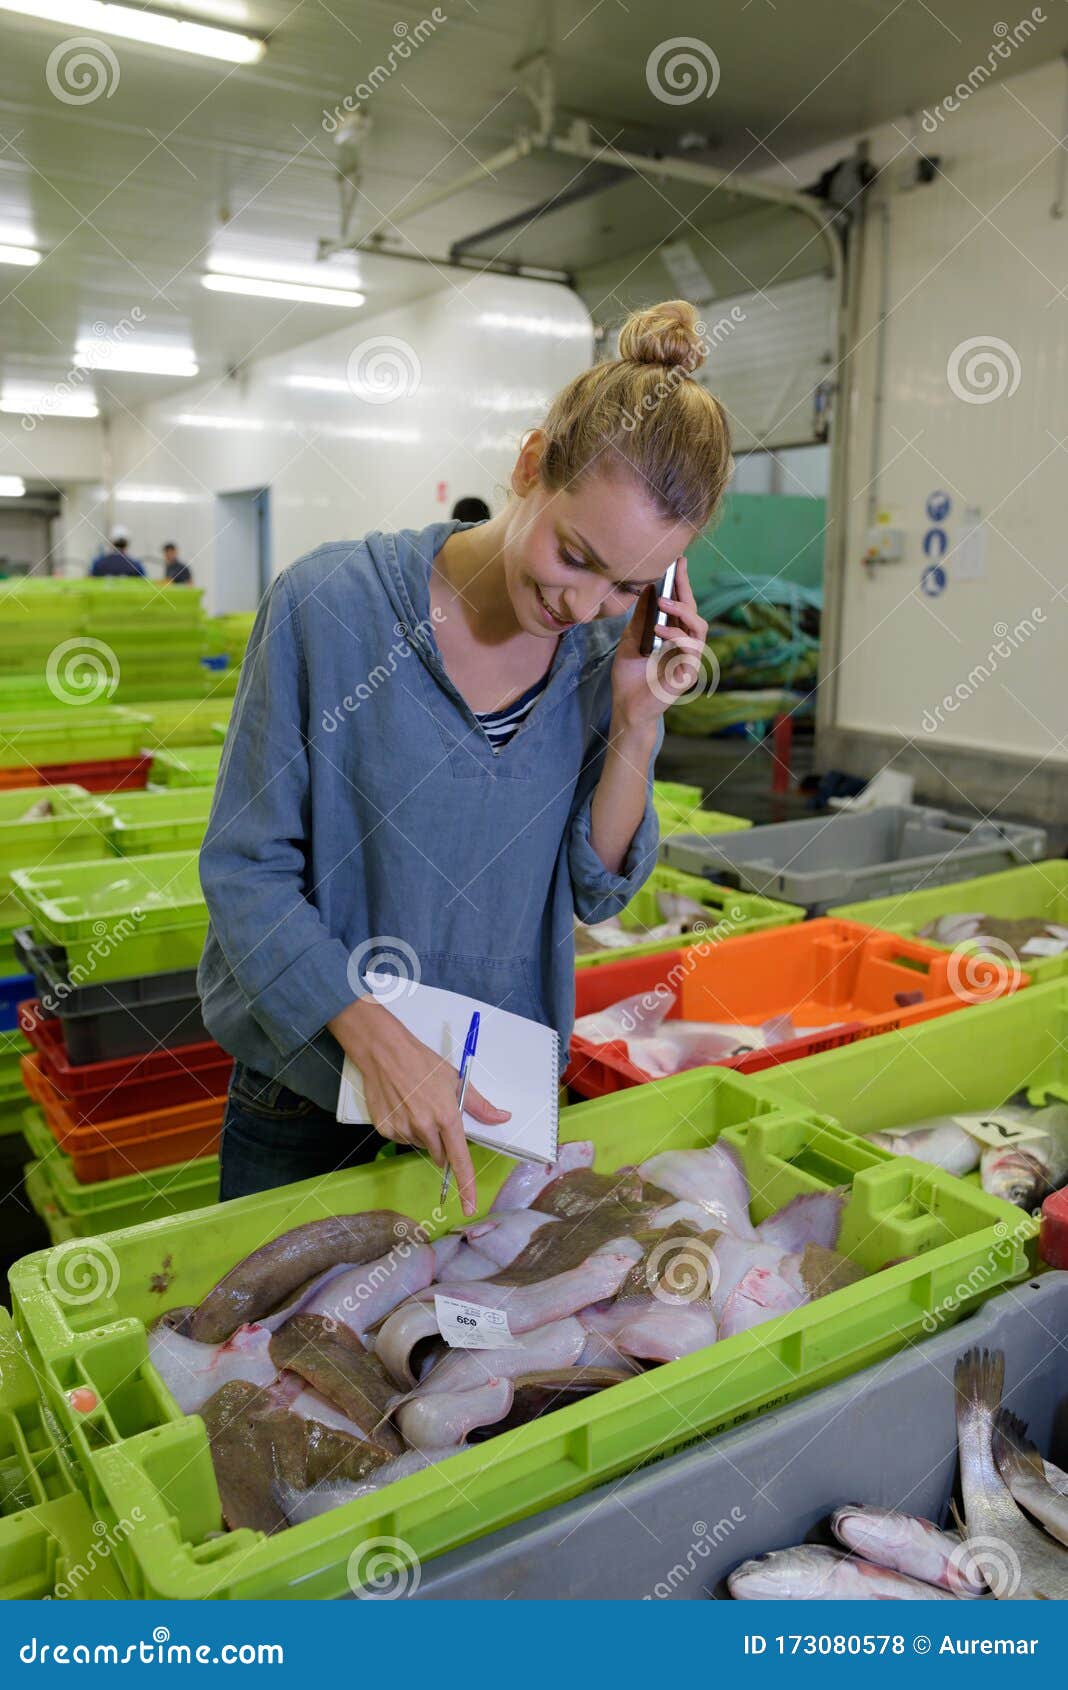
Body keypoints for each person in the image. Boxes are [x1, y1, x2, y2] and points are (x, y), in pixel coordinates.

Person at [198, 299, 730, 1209]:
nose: (585, 602)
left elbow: (597, 887)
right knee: (271, 1347)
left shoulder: (611, 656)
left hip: (494, 1097)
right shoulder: (331, 606)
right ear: (531, 466)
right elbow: (246, 871)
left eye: (630, 585)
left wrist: (639, 722)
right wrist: (371, 1036)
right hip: (307, 1093)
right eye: (576, 554)